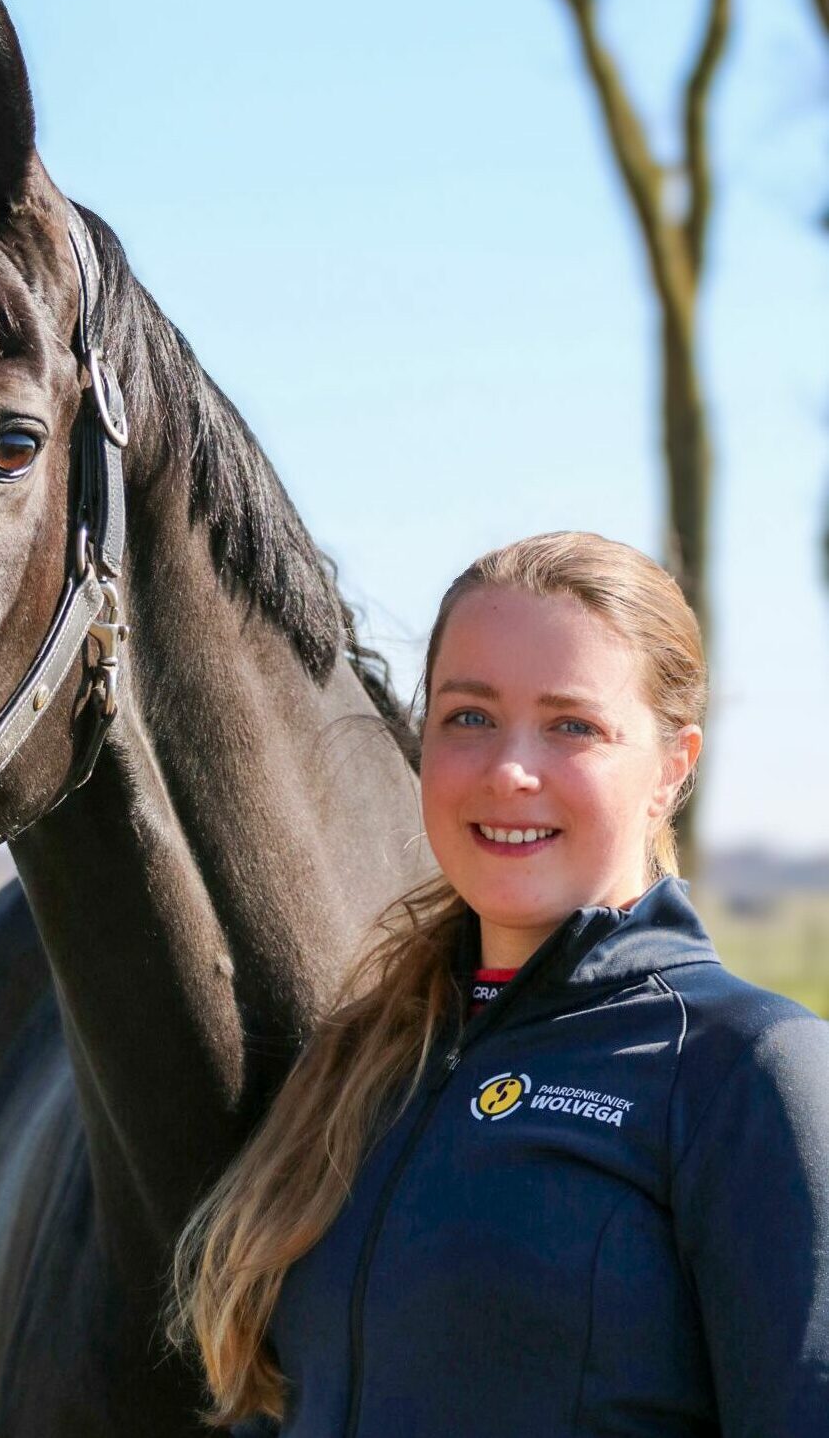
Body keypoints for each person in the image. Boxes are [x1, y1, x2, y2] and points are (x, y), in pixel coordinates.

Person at [171, 531, 829, 1436]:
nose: (510, 769)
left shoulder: (748, 1072)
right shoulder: (358, 1064)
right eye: (469, 717)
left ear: (671, 769)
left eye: (573, 726)